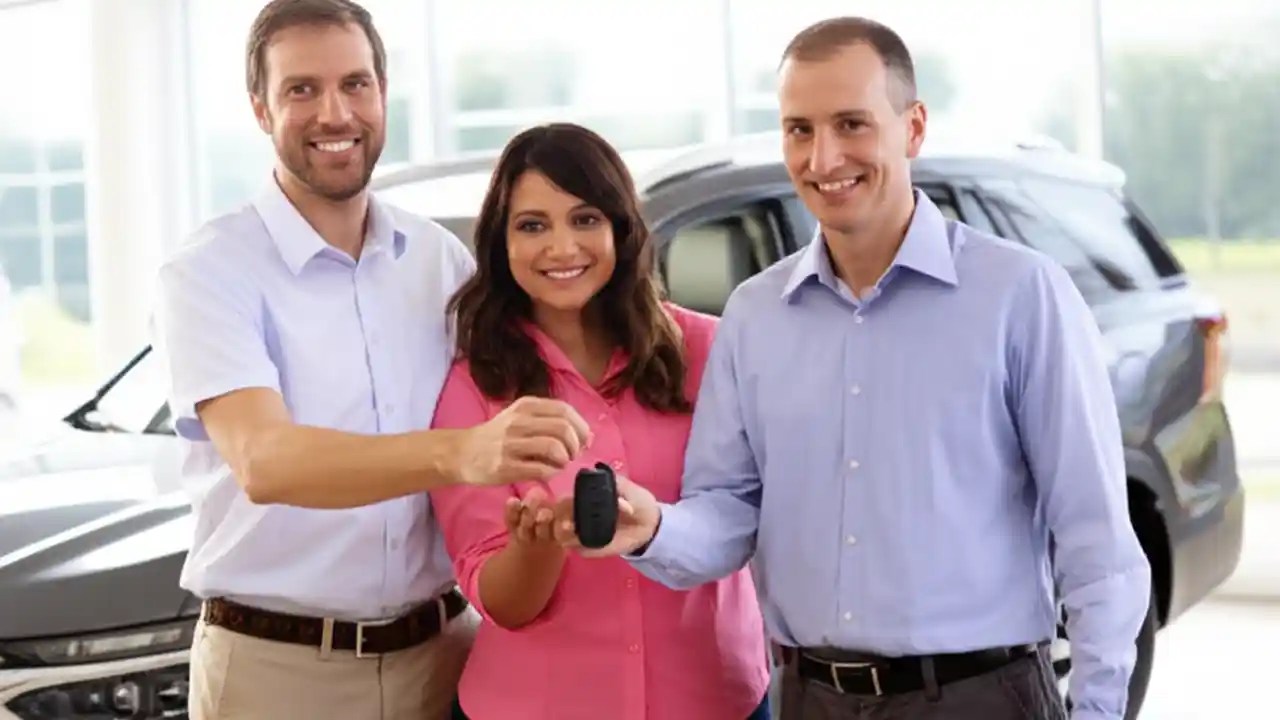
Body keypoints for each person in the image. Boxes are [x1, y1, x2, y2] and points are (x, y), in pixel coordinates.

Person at [558, 16, 1153, 720]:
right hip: (809, 699)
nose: (823, 157)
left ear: (913, 127)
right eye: (799, 129)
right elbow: (729, 510)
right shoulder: (755, 315)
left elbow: (1097, 541)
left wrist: (1098, 709)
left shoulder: (1022, 296)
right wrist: (654, 527)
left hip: (980, 699)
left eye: (851, 124)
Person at [151, 2, 589, 718]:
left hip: (446, 655)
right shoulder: (210, 270)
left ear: (383, 94)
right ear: (261, 109)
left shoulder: (440, 262)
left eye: (356, 84)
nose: (335, 112)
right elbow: (268, 461)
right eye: (301, 89)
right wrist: (463, 453)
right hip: (278, 676)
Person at [427, 122, 772, 720]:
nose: (562, 248)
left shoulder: (712, 352)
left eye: (585, 219)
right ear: (501, 244)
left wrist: (659, 527)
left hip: (714, 698)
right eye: (532, 225)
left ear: (621, 227)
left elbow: (752, 520)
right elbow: (498, 600)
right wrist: (536, 549)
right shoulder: (472, 386)